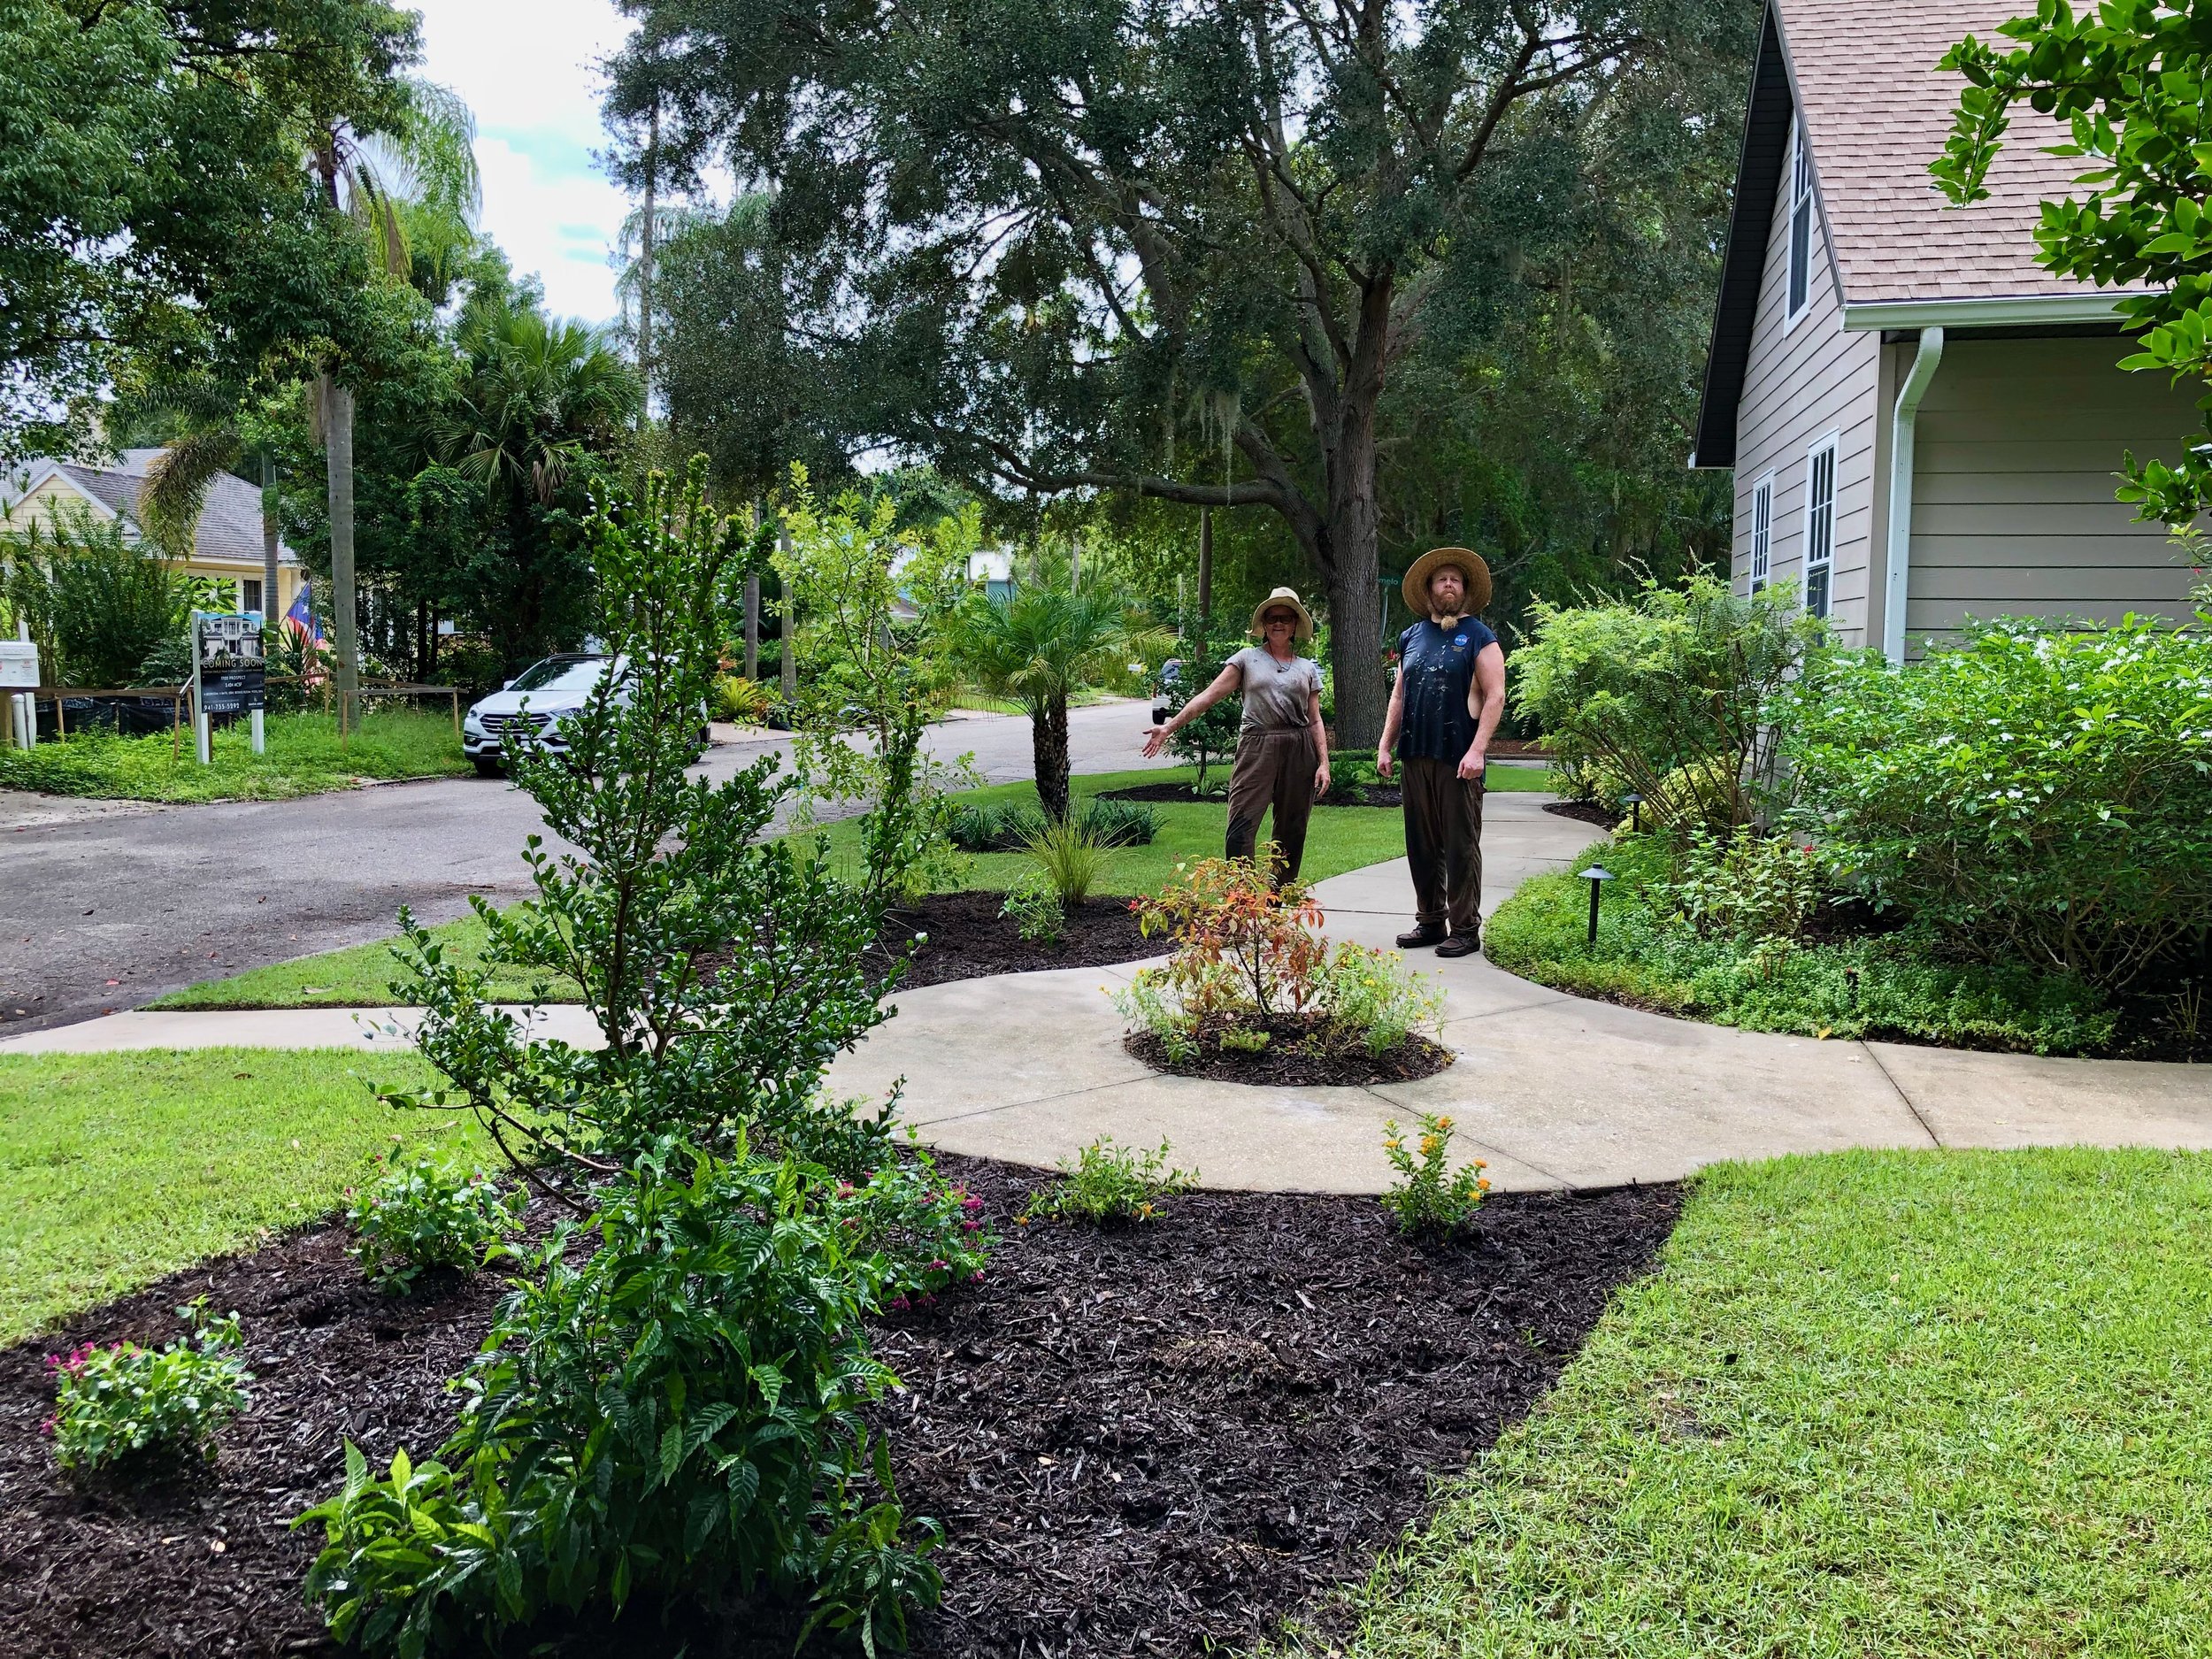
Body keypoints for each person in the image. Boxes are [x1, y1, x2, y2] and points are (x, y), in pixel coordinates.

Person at [1143, 587, 1331, 885]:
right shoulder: (1247, 659)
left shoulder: (1307, 669)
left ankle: (1276, 900)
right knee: (1241, 823)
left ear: (1295, 624)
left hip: (1299, 748)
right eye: (1271, 619)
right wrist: (1169, 726)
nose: (1278, 623)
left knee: (1293, 828)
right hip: (1257, 744)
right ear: (1264, 626)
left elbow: (1315, 719)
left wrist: (1323, 763)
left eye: (1284, 617)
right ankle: (1242, 899)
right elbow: (1208, 696)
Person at [1377, 548, 1504, 957]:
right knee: (1422, 844)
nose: (1448, 585)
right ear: (1430, 590)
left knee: (1460, 845)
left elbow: (1496, 695)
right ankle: (1430, 921)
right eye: (1441, 579)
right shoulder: (1411, 637)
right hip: (1416, 755)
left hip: (1458, 759)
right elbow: (1399, 693)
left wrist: (1478, 750)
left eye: (1455, 580)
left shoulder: (1480, 637)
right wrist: (1386, 744)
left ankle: (1465, 929)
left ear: (1465, 591)